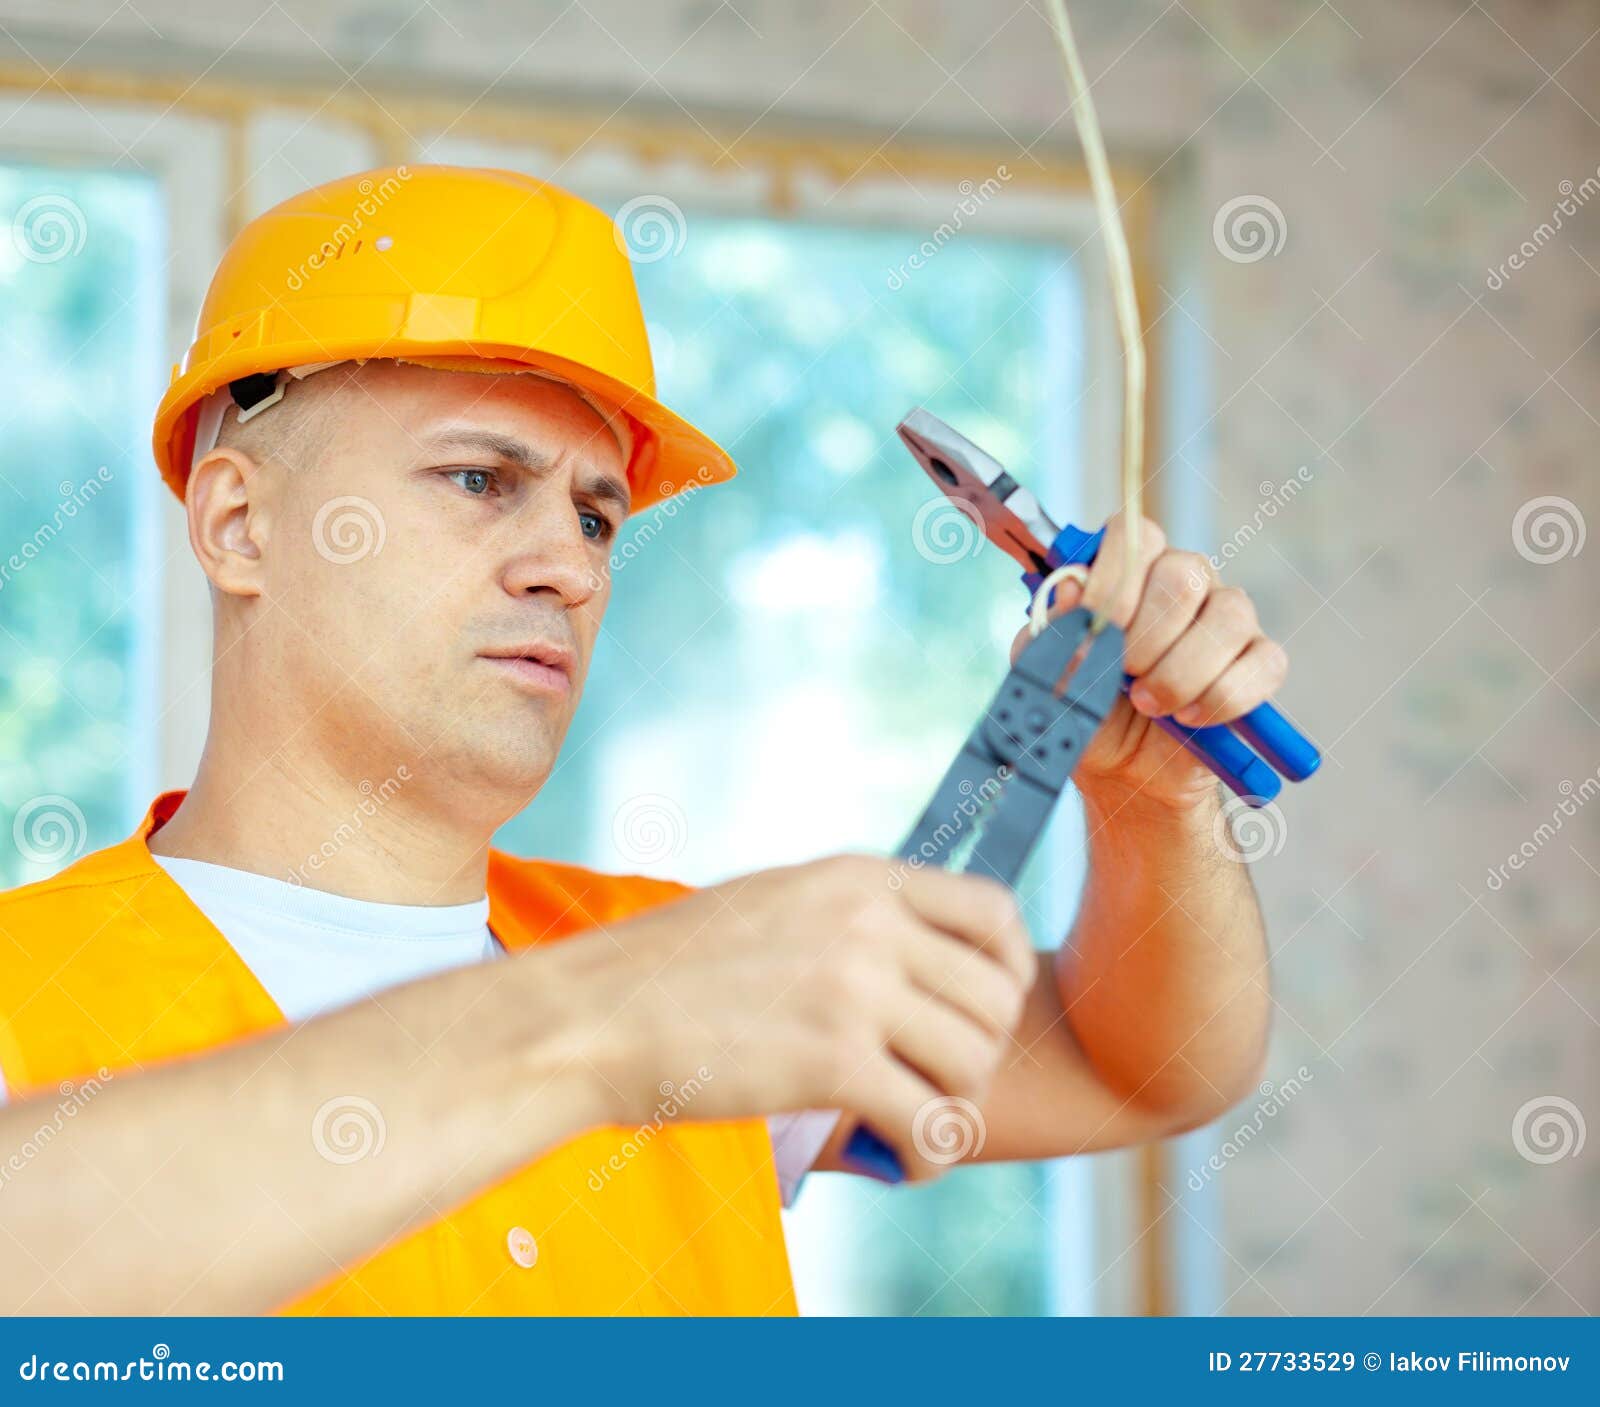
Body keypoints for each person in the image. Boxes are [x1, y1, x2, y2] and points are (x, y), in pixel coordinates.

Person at [0, 165, 1283, 1315]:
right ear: (238, 525)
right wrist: (622, 1021)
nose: (568, 562)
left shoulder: (677, 968)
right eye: (480, 479)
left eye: (600, 515)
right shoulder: (31, 989)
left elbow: (1142, 1068)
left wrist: (1153, 801)